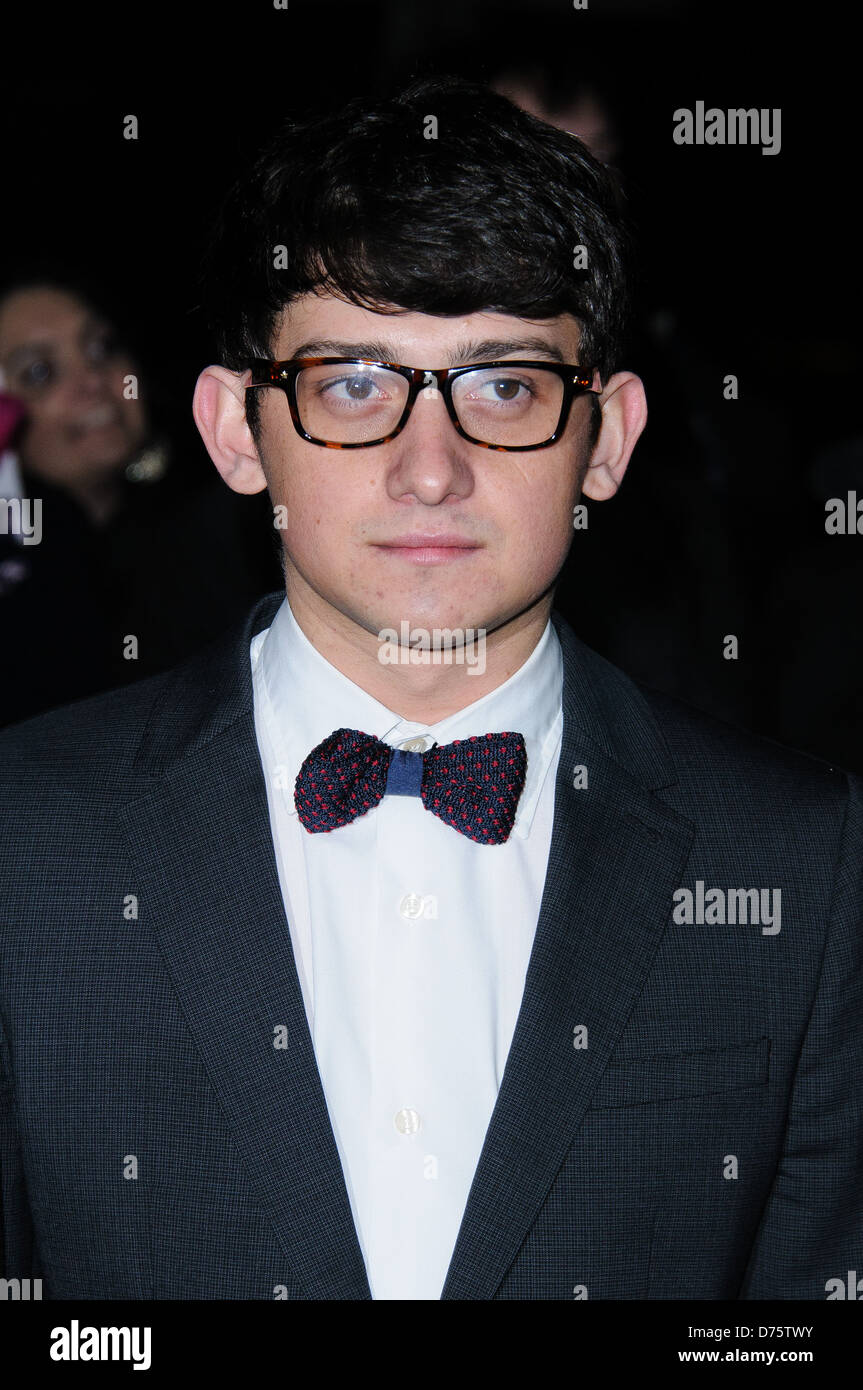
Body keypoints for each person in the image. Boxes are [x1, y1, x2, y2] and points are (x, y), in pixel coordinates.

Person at [1, 75, 860, 1302]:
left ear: (606, 439)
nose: (430, 468)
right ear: (238, 430)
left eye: (501, 384)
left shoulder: (802, 862)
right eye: (353, 382)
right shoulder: (24, 837)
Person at [0, 275, 280, 726]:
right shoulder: (23, 582)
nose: (92, 380)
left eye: (102, 347)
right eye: (40, 372)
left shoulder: (224, 524)